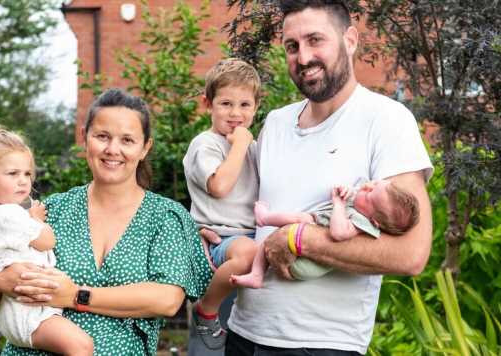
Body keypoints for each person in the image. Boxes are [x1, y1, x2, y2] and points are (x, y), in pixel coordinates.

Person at [199, 1, 433, 355]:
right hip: (243, 334)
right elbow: (250, 205)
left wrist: (299, 239)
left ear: (350, 39)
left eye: (315, 40)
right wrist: (212, 234)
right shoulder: (276, 122)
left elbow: (411, 254)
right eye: (292, 46)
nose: (303, 56)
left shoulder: (386, 120)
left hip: (322, 345)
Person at [0, 88, 213, 355]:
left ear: (145, 147)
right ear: (84, 138)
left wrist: (75, 295)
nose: (112, 149)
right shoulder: (52, 210)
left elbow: (167, 299)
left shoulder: (165, 217)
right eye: (102, 136)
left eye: (127, 140)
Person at [0, 119, 93, 355]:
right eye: (13, 173)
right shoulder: (9, 214)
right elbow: (47, 240)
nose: (24, 181)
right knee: (82, 346)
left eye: (27, 174)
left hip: (13, 313)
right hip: (32, 313)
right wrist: (37, 220)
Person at [182, 58, 261, 350]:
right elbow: (219, 186)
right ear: (208, 104)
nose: (236, 114)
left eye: (244, 105)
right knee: (248, 253)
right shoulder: (206, 144)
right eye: (226, 104)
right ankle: (207, 309)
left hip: (249, 234)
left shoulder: (253, 148)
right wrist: (239, 145)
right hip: (220, 239)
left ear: (256, 107)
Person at [231, 179, 420, 288]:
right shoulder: (363, 208)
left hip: (306, 266)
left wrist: (339, 204)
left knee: (301, 219)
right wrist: (347, 192)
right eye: (374, 185)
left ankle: (265, 219)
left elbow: (337, 233)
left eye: (370, 195)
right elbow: (356, 194)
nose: (367, 188)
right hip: (298, 248)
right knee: (277, 236)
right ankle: (256, 275)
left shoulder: (362, 224)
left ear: (375, 221)